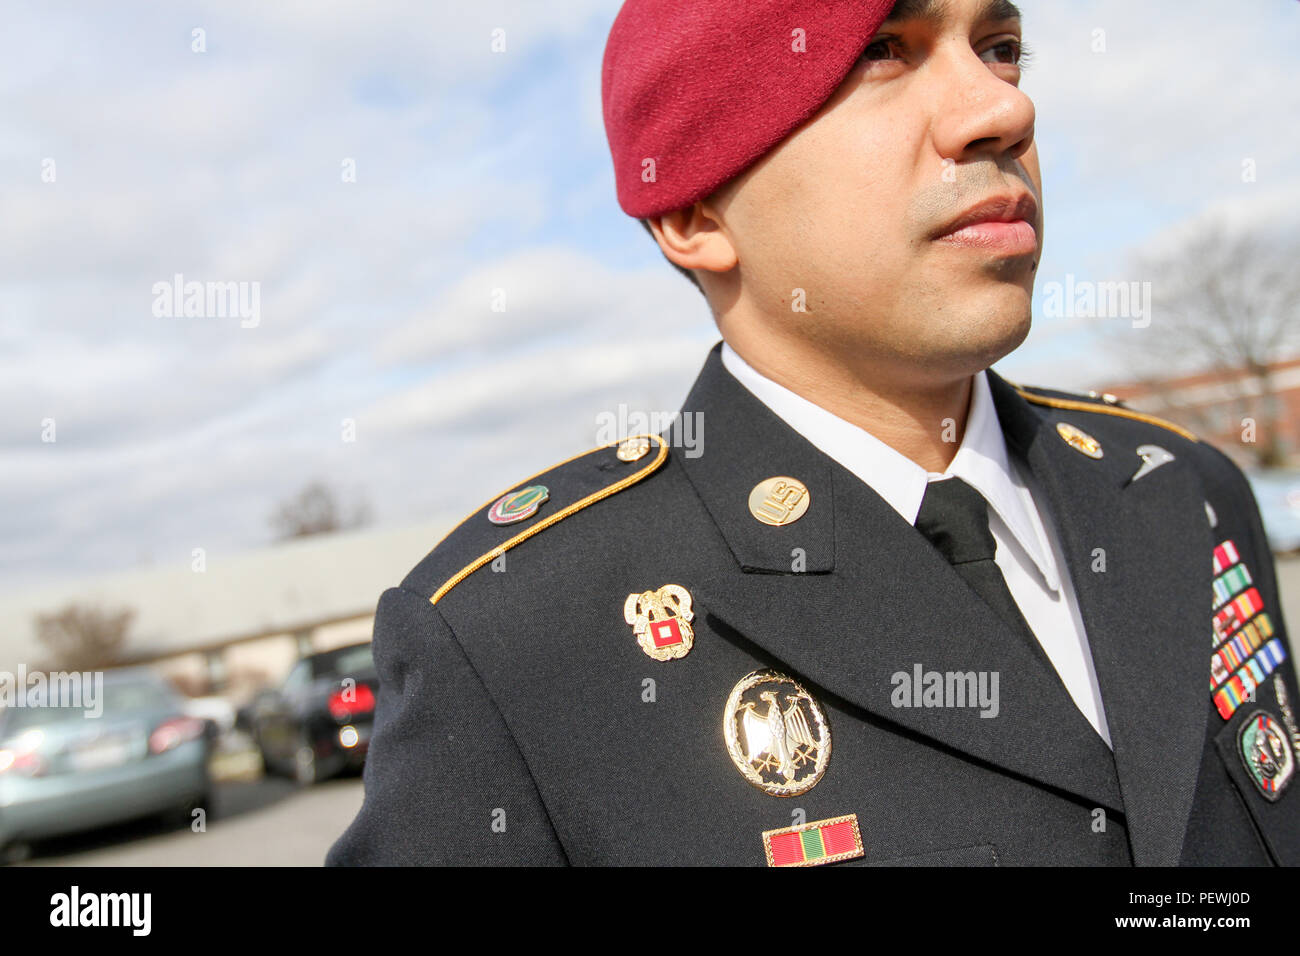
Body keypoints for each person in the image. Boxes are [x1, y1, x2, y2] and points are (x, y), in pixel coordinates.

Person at [327, 0, 1299, 866]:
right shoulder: (516, 640)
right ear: (693, 209)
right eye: (882, 48)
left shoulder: (1175, 486)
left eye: (999, 45)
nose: (1003, 109)